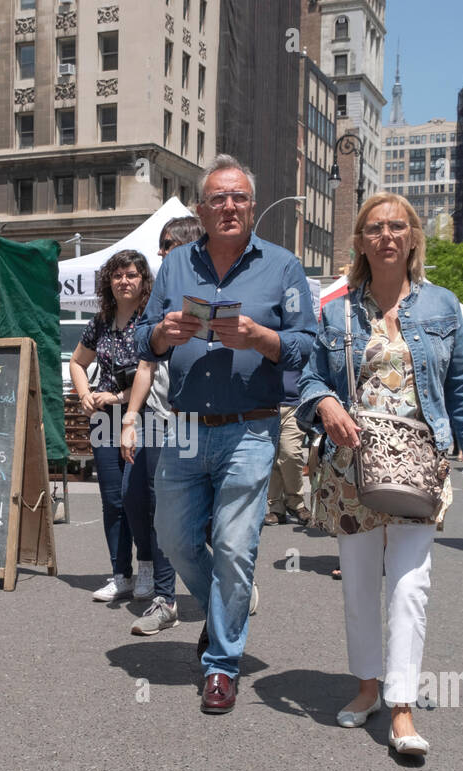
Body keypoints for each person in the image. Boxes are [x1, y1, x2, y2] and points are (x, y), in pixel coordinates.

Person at [297, 192, 463, 755]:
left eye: (397, 226)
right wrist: (326, 404)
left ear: (412, 238)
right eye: (375, 228)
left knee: (410, 585)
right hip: (352, 467)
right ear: (360, 242)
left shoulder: (441, 306)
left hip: (418, 462)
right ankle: (366, 689)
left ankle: (402, 707)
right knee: (359, 585)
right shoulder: (336, 310)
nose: (386, 235)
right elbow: (309, 379)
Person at [135, 154, 315, 715]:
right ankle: (223, 611)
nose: (229, 206)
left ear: (253, 208)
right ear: (202, 209)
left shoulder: (282, 267)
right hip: (184, 428)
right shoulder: (173, 267)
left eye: (238, 197)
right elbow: (143, 338)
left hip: (251, 429)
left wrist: (261, 337)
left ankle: (221, 664)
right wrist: (162, 333)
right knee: (173, 539)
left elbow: (307, 343)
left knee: (236, 549)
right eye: (218, 198)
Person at [120, 216, 201, 635]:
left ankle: (225, 584)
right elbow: (145, 365)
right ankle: (165, 599)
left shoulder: (204, 298)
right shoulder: (159, 305)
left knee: (198, 514)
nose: (160, 253)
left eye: (166, 244)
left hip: (191, 420)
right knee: (155, 507)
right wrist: (130, 419)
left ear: (186, 248)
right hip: (155, 418)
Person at [70, 251, 153, 603]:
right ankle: (121, 574)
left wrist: (117, 398)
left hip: (142, 415)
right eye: (117, 275)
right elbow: (77, 361)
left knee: (139, 497)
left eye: (131, 275)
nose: (124, 281)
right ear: (109, 281)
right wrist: (85, 392)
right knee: (112, 499)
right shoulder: (102, 320)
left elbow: (154, 370)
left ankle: (148, 569)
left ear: (142, 279)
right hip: (104, 418)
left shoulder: (150, 319)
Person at [265, 369, 311, 526]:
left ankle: (296, 503)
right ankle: (276, 508)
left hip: (294, 405)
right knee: (271, 457)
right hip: (266, 406)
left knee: (290, 453)